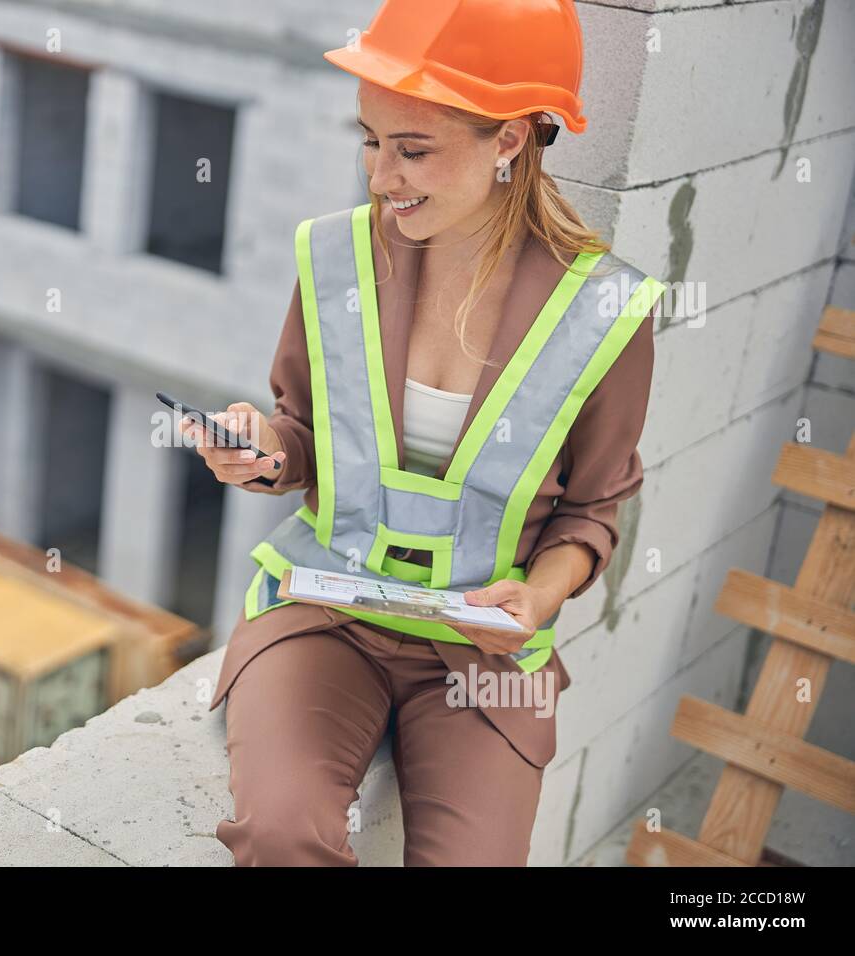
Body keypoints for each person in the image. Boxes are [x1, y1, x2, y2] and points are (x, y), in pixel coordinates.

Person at [179, 0, 664, 865]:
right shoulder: (334, 259)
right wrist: (260, 450)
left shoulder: (604, 313)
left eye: (412, 150)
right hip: (328, 613)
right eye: (369, 139)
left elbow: (593, 512)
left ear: (509, 139)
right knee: (284, 834)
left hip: (479, 653)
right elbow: (301, 436)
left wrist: (539, 597)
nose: (378, 176)